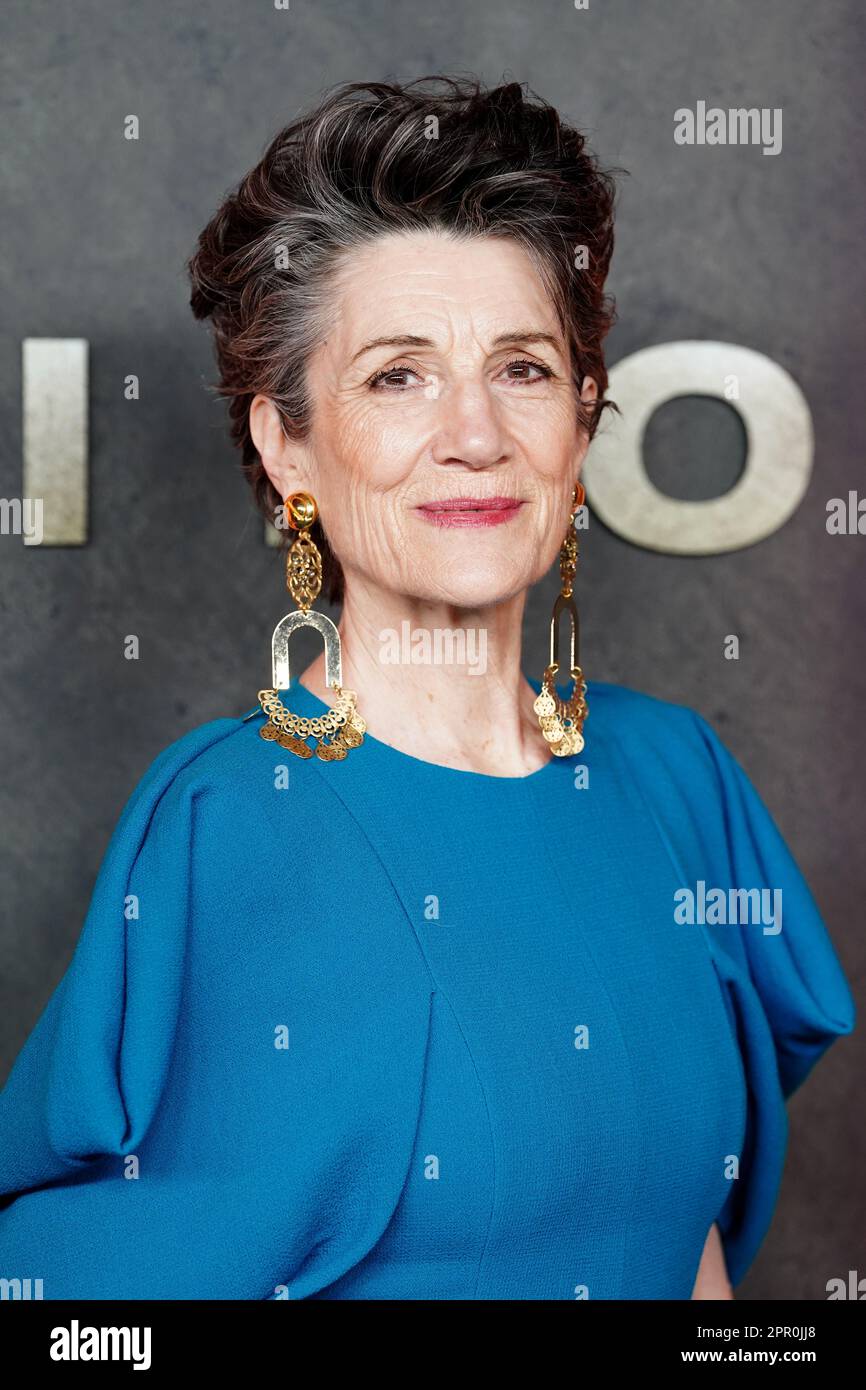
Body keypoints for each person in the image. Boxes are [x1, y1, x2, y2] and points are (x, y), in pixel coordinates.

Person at [0, 76, 855, 1300]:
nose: (474, 433)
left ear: (580, 418)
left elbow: (684, 1246)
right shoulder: (227, 826)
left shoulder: (677, 779)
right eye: (396, 376)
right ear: (286, 445)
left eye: (521, 368)